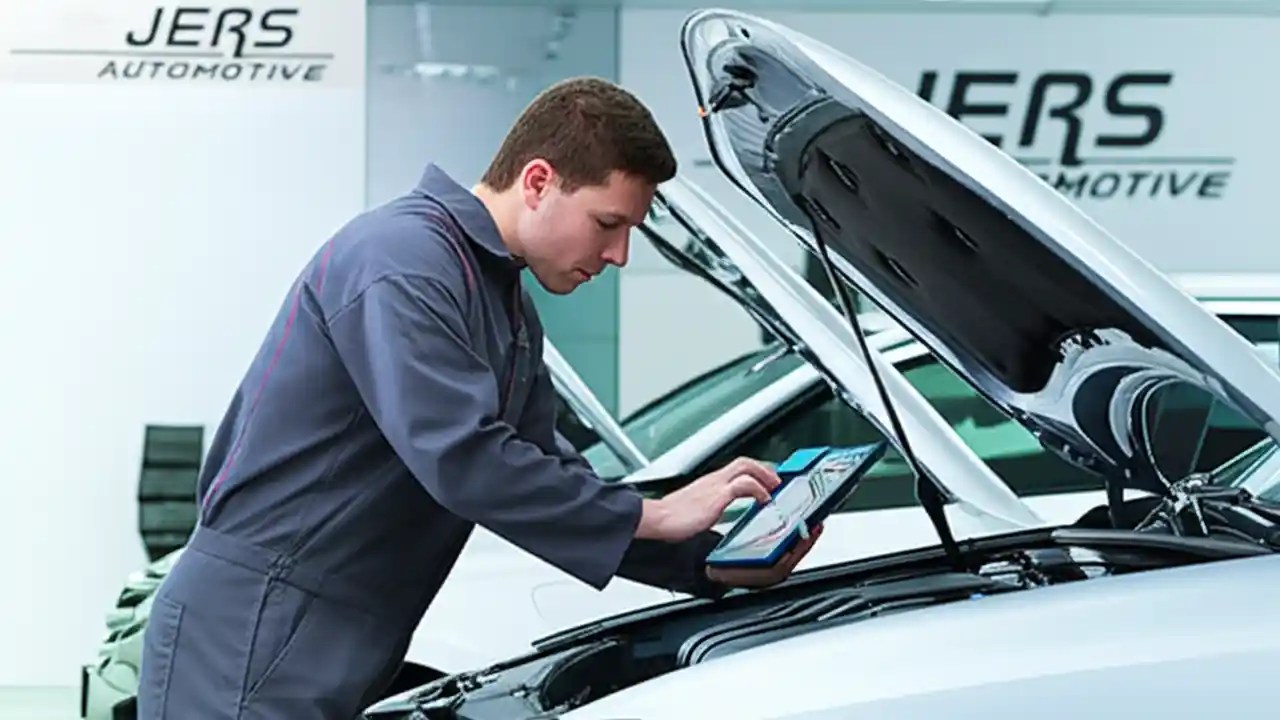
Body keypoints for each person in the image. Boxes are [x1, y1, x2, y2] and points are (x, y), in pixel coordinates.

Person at [136, 76, 822, 720]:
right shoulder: (399, 260)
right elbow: (464, 459)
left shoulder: (504, 304)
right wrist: (657, 513)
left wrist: (712, 562)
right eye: (608, 223)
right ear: (538, 182)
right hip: (250, 631)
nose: (618, 255)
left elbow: (544, 478)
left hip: (328, 634)